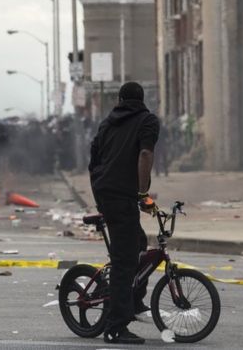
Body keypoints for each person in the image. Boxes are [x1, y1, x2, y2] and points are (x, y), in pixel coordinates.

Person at [88, 81, 159, 345]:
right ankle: (116, 326)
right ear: (142, 100)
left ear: (119, 99)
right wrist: (143, 193)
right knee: (124, 261)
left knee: (138, 243)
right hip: (121, 196)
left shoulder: (108, 122)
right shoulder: (148, 121)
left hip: (106, 192)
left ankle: (133, 300)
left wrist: (98, 188)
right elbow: (145, 153)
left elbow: (93, 158)